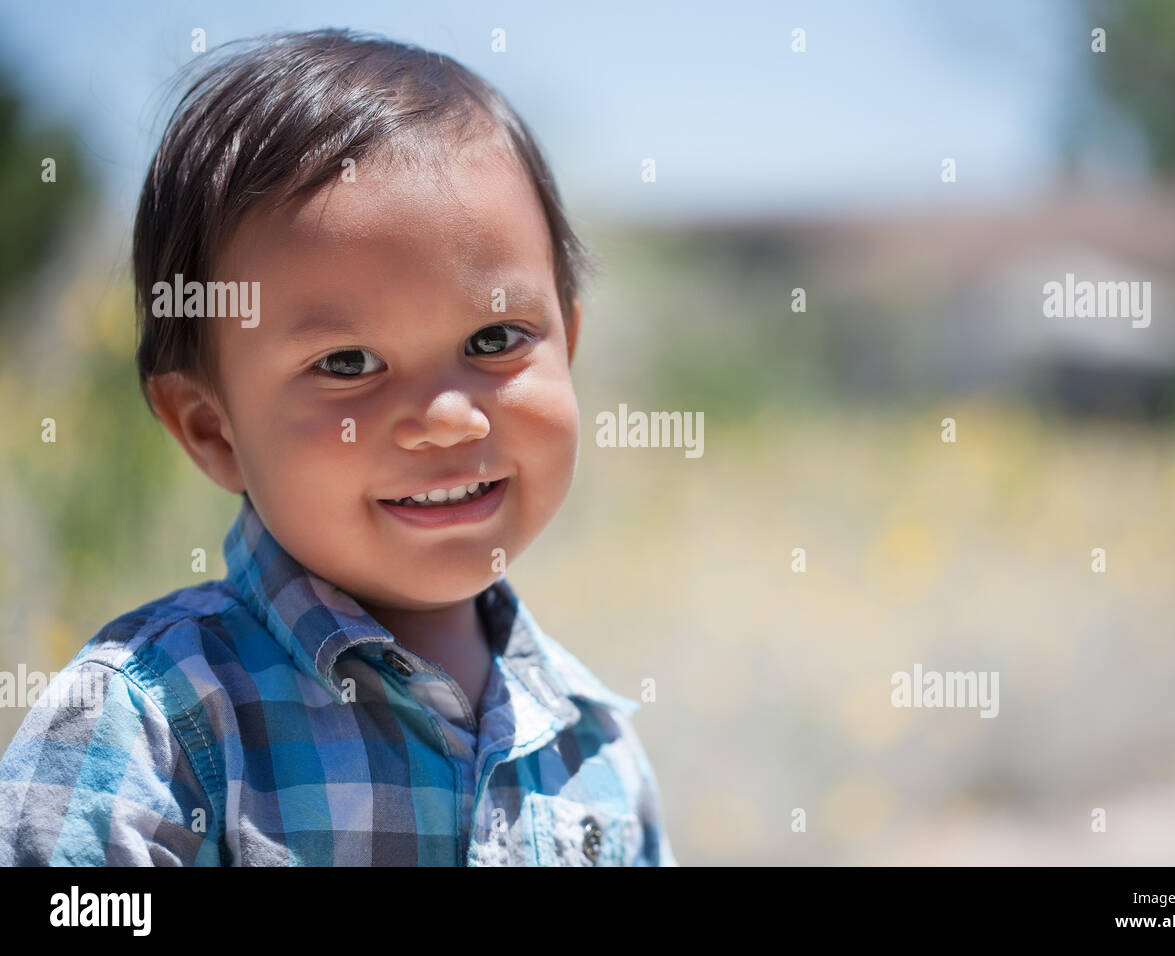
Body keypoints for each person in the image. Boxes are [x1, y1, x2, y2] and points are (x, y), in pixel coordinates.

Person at [0, 29, 676, 866]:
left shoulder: (593, 744)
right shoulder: (149, 724)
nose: (448, 418)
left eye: (497, 338)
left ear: (566, 345)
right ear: (214, 430)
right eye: (348, 364)